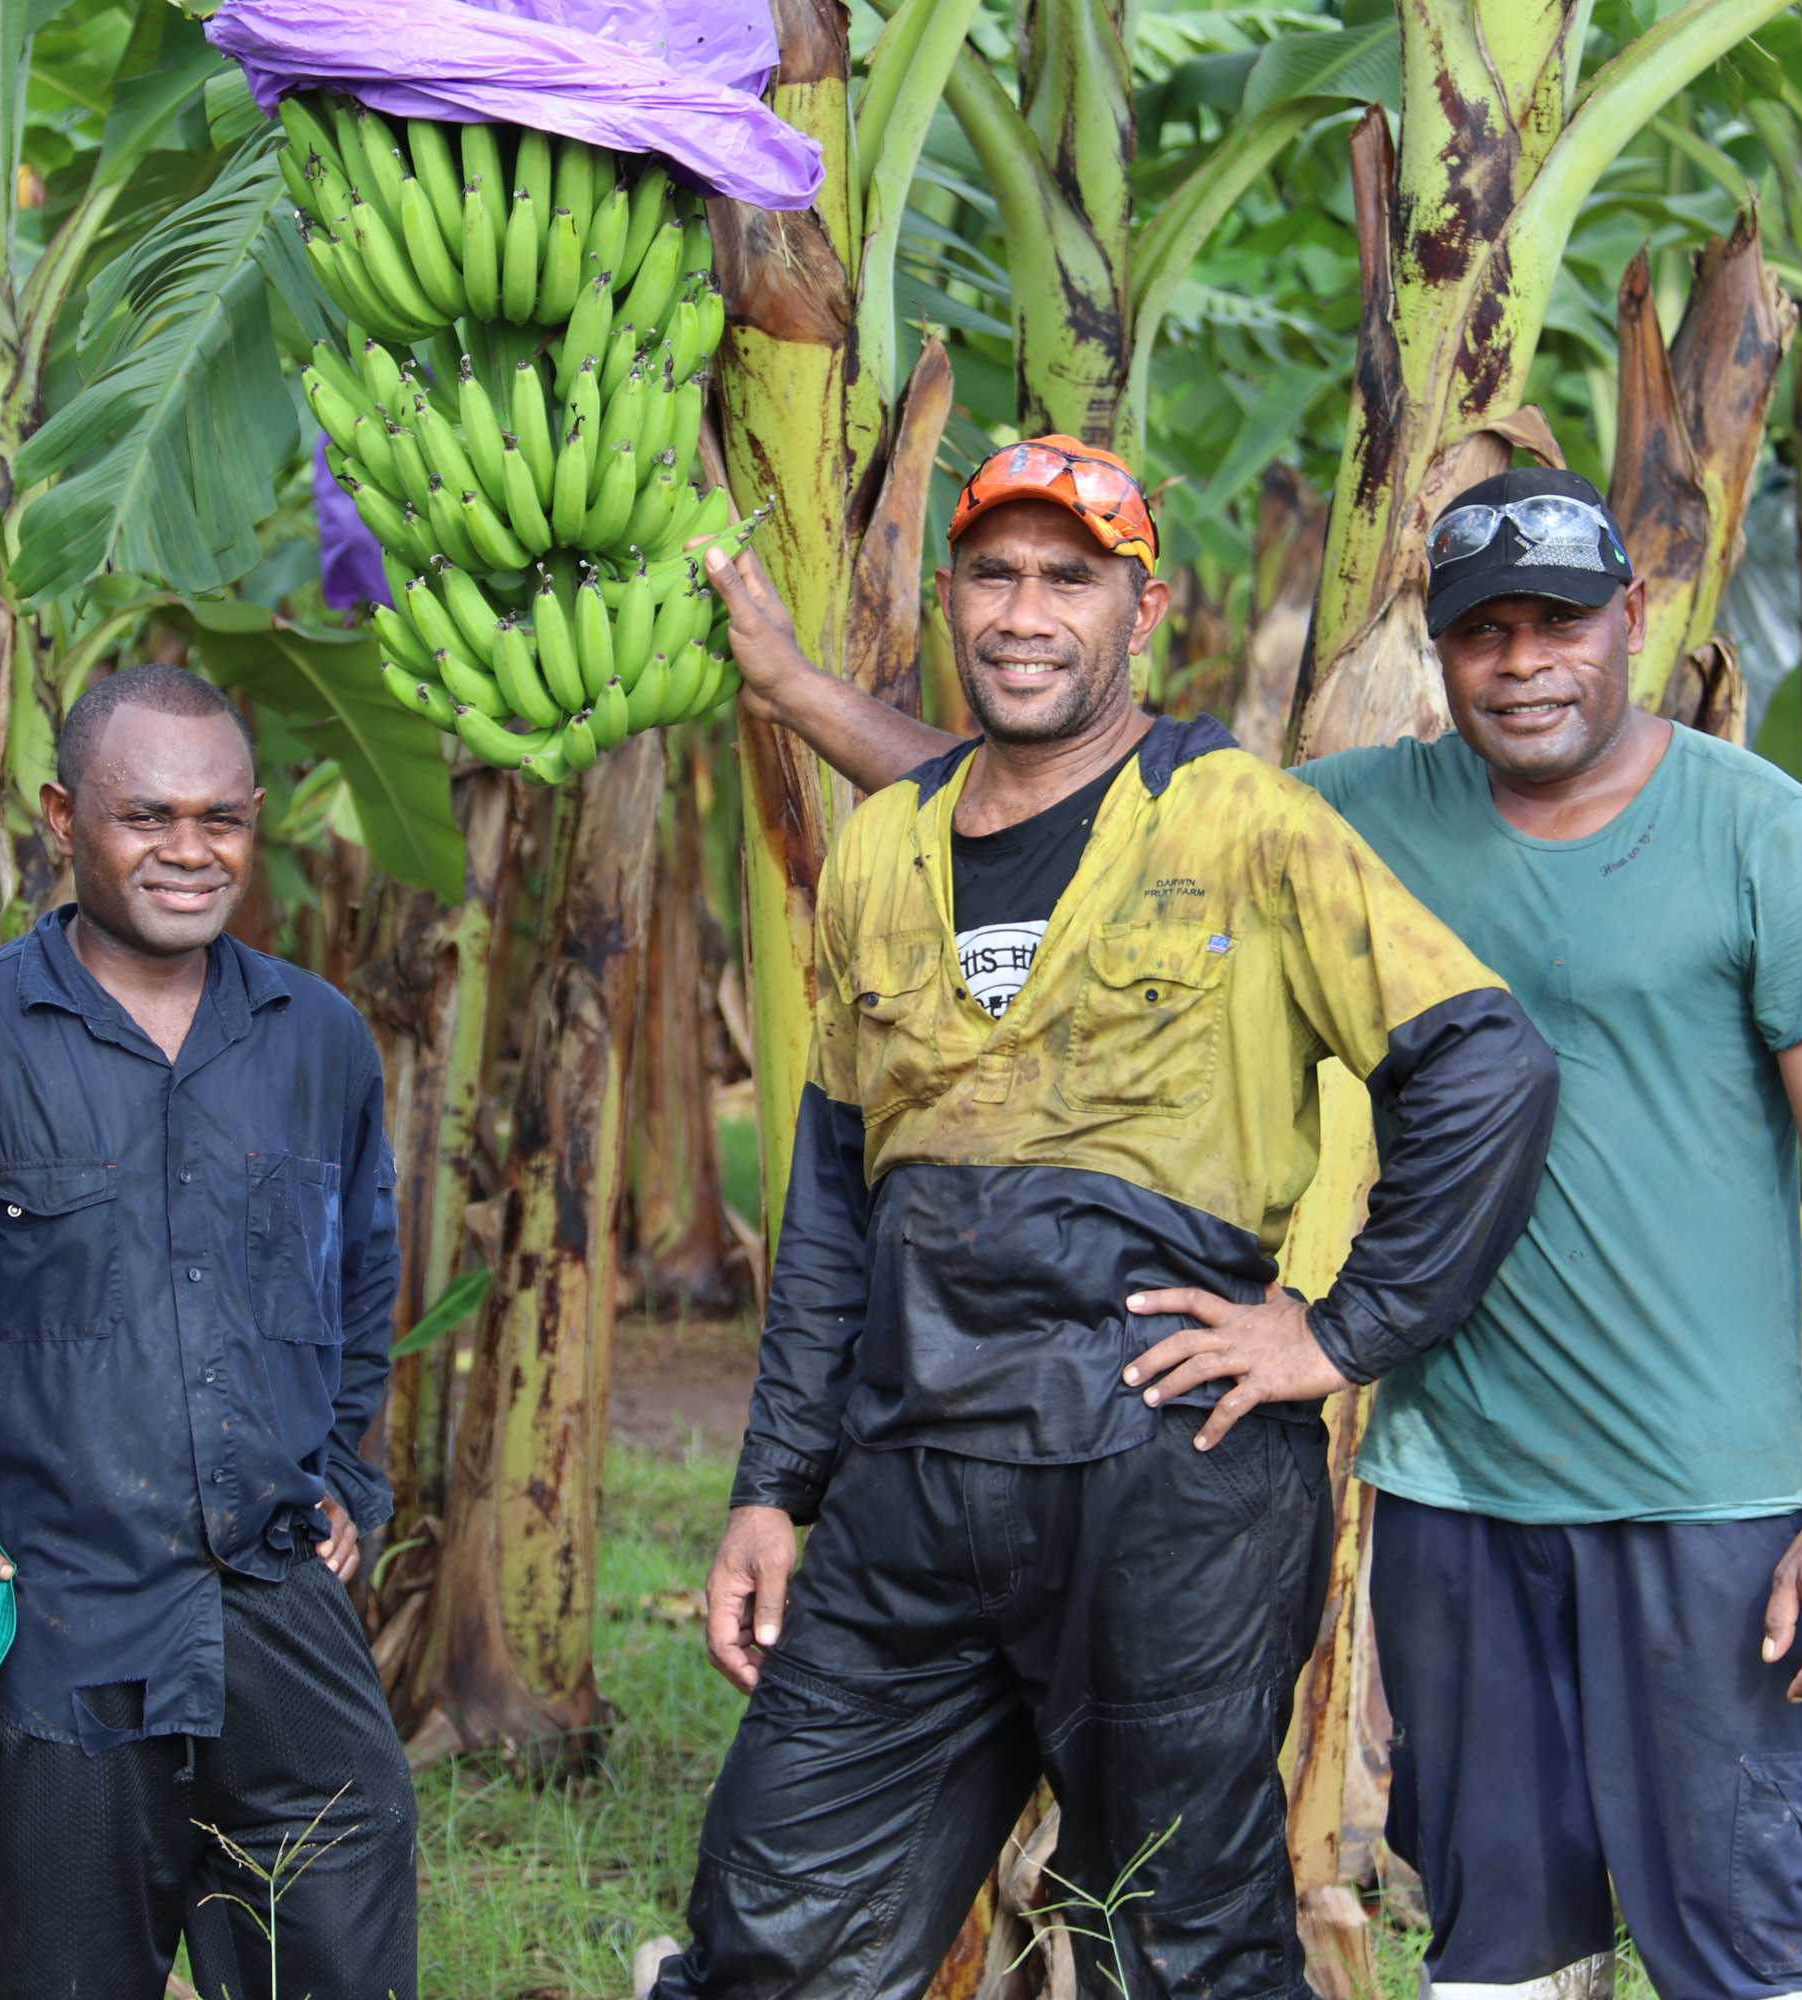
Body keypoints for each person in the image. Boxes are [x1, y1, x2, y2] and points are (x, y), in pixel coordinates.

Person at [722, 462, 1802, 2000]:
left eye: (1560, 624)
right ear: (1435, 646)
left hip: (1702, 1499)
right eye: (1483, 631)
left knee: (1756, 1942)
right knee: (1499, 1946)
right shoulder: (1343, 820)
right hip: (1455, 1491)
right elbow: (1046, 809)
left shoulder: (1767, 835)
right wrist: (799, 693)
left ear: (1636, 617)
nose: (1525, 663)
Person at [642, 437, 1561, 2000]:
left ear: (1143, 614)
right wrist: (772, 1487)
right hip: (912, 1476)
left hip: (1166, 1484)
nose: (1025, 612)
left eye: (1071, 579)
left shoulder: (1235, 821)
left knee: (1179, 1933)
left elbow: (1483, 1061)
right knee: (773, 1926)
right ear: (949, 599)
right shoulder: (885, 847)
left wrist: (1340, 1332)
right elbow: (829, 1206)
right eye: (994, 574)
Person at [0, 665, 416, 2000]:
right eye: (146, 815)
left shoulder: (314, 1038)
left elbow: (358, 1273)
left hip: (277, 1609)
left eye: (221, 819)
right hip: (60, 1627)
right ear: (61, 816)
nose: (189, 850)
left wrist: (349, 1472)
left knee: (337, 1952)